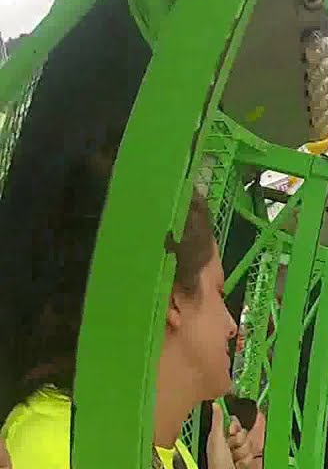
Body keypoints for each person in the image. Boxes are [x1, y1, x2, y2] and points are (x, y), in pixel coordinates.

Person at [2, 191, 251, 469]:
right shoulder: (56, 444)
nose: (231, 325)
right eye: (219, 292)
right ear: (173, 300)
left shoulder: (171, 452)